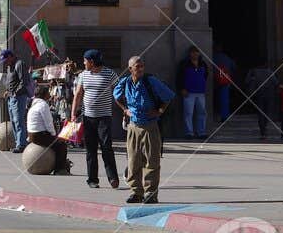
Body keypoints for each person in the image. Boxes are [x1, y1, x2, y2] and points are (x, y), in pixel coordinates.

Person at [112, 55, 175, 205]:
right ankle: (136, 192)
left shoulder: (150, 81)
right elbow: (116, 96)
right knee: (133, 161)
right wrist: (125, 110)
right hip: (133, 126)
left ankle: (151, 193)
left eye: (142, 66)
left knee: (151, 160)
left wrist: (159, 111)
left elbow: (168, 96)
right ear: (130, 69)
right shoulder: (125, 82)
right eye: (137, 66)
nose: (140, 69)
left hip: (150, 126)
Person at [71, 49, 119, 190]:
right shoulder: (83, 75)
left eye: (85, 61)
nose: (83, 63)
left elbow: (119, 91)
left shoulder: (109, 74)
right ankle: (92, 179)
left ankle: (113, 178)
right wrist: (73, 114)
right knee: (90, 150)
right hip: (88, 118)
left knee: (106, 148)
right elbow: (78, 94)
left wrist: (125, 109)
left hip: (104, 118)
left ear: (92, 62)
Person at [27, 87, 71, 174]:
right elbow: (49, 123)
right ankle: (59, 169)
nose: (50, 95)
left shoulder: (33, 105)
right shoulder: (43, 105)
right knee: (61, 145)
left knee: (56, 143)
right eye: (48, 93)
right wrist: (55, 135)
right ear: (44, 95)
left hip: (31, 135)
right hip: (39, 135)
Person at [0, 48, 29, 153]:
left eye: (6, 60)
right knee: (13, 121)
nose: (5, 63)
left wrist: (15, 92)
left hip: (18, 97)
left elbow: (23, 81)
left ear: (10, 57)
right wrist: (7, 91)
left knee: (18, 121)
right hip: (11, 97)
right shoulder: (9, 67)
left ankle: (21, 144)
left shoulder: (19, 64)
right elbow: (11, 81)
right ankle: (18, 142)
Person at [180, 46, 209, 139]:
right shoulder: (184, 64)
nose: (195, 54)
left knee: (202, 113)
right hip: (188, 93)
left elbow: (206, 75)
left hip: (200, 92)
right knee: (188, 113)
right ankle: (189, 133)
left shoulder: (203, 64)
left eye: (196, 52)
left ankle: (201, 132)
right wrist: (182, 88)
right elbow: (179, 77)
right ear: (189, 53)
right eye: (193, 52)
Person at [245, 63, 276, 141]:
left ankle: (262, 131)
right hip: (269, 95)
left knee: (260, 113)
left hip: (259, 95)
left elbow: (246, 81)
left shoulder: (253, 71)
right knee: (267, 112)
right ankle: (264, 128)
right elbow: (276, 82)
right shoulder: (269, 72)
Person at [213, 49, 235, 122]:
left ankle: (215, 114)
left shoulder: (214, 57)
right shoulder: (227, 58)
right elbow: (234, 68)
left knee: (215, 98)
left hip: (214, 81)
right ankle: (224, 115)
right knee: (224, 99)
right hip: (225, 81)